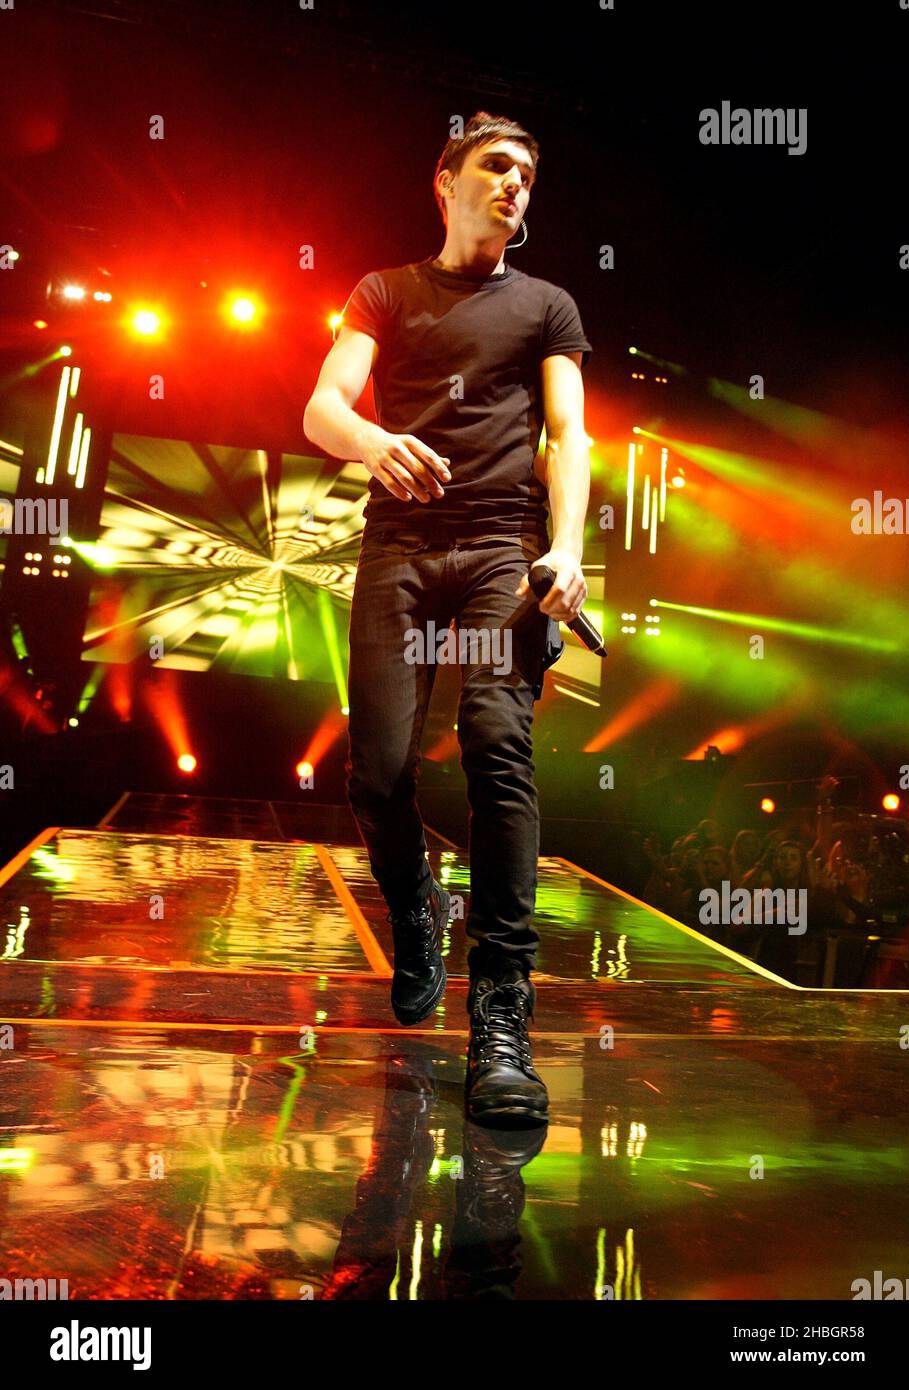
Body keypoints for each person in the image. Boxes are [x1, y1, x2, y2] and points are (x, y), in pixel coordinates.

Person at [303, 112, 592, 1126]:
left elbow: (569, 432)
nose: (515, 184)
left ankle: (503, 1017)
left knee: (495, 743)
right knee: (376, 773)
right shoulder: (385, 290)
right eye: (496, 166)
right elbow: (322, 408)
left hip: (501, 552)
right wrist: (374, 439)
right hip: (399, 549)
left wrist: (568, 547)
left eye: (527, 173)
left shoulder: (549, 305)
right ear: (447, 181)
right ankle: (417, 903)